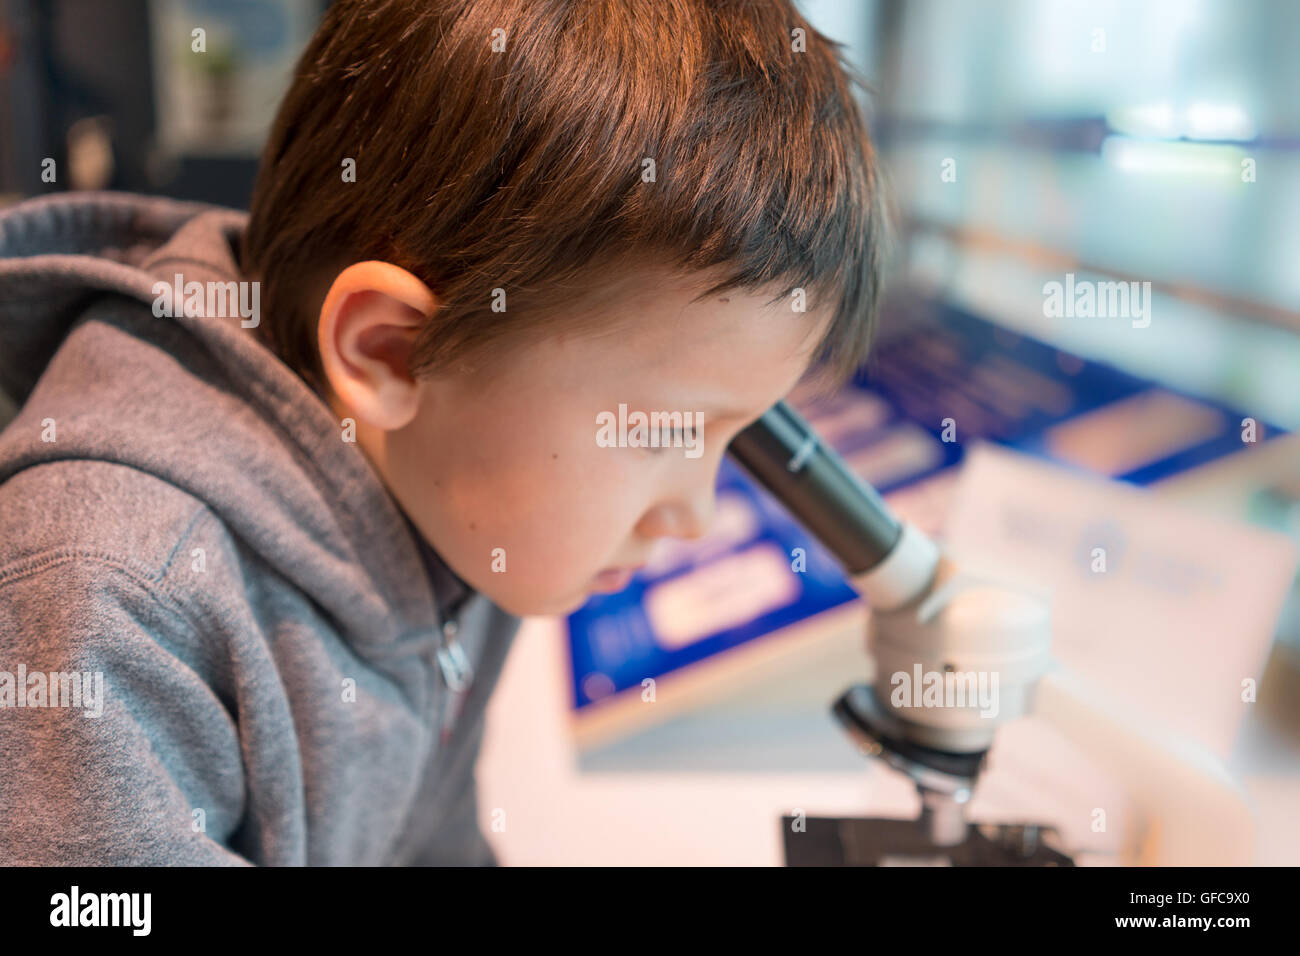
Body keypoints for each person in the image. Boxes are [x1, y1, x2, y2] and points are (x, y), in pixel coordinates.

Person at [0, 0, 883, 865]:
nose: (694, 513)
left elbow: (431, 830)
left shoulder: (459, 494)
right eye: (665, 429)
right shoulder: (115, 606)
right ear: (392, 352)